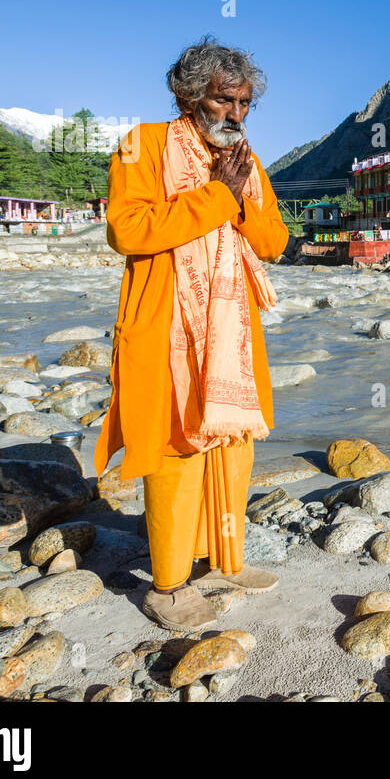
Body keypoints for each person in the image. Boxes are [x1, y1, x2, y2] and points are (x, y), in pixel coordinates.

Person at [96, 37, 295, 633]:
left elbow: (273, 243)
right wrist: (217, 196)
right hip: (166, 322)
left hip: (232, 328)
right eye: (224, 100)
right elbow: (127, 231)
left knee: (234, 443)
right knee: (176, 442)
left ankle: (224, 563)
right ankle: (169, 584)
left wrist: (239, 197)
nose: (235, 114)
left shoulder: (246, 159)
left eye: (245, 104)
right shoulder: (143, 145)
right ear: (189, 96)